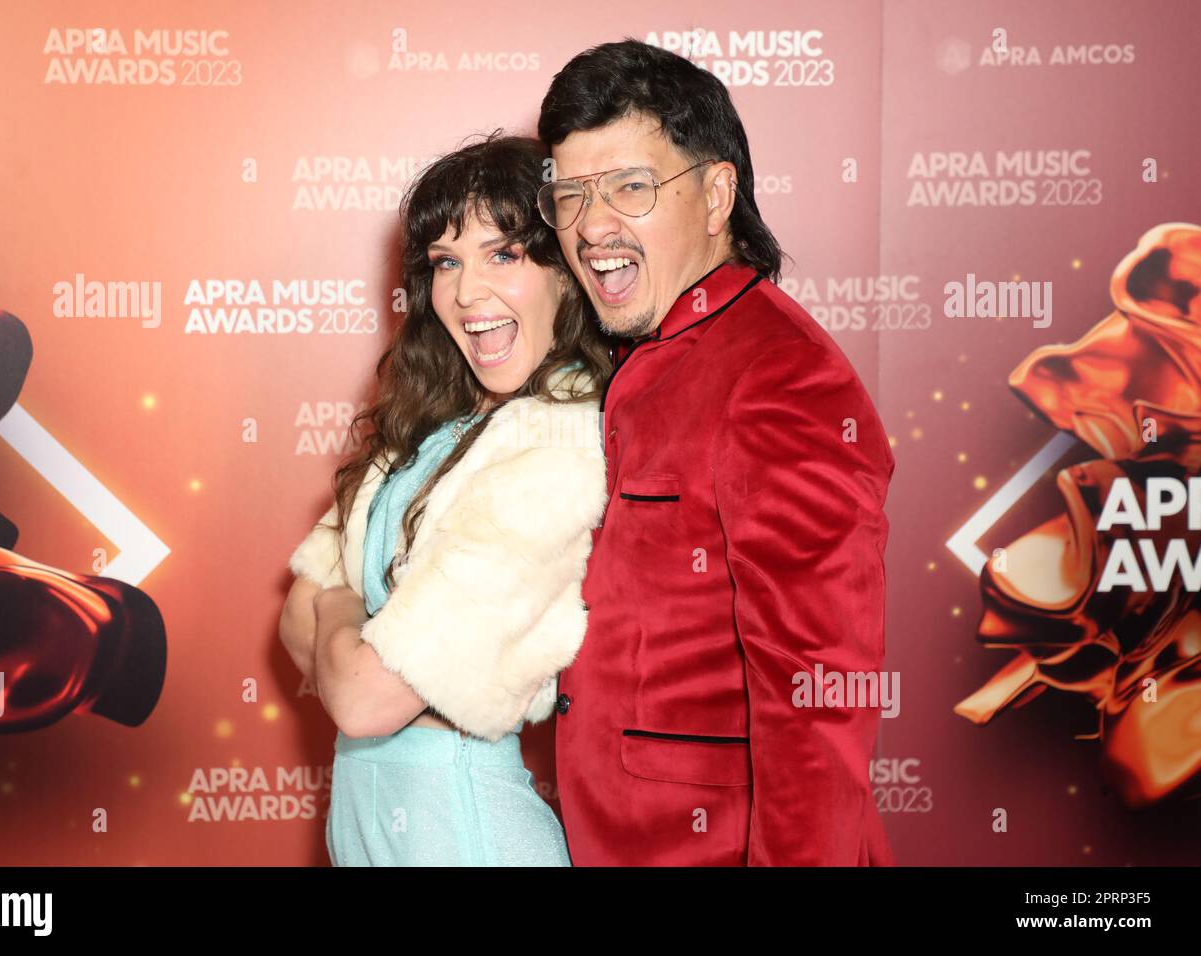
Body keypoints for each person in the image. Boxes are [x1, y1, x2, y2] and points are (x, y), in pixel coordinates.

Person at [536, 39, 897, 866]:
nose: (593, 227)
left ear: (716, 195)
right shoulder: (651, 353)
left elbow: (817, 709)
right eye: (571, 195)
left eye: (631, 186)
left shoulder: (782, 380)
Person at [278, 133, 610, 866]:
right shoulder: (434, 428)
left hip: (464, 829)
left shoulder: (561, 444)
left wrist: (344, 609)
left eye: (503, 254)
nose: (465, 293)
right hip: (370, 824)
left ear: (564, 271)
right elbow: (293, 621)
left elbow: (361, 698)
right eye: (445, 263)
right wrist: (357, 635)